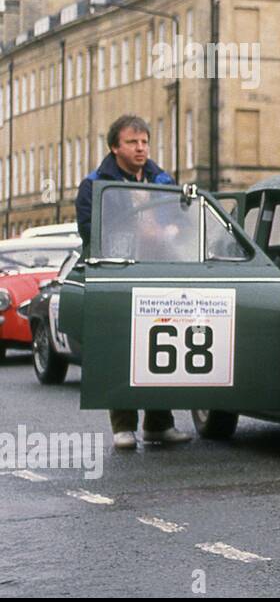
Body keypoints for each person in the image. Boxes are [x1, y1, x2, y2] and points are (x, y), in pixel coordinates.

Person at [75, 115, 190, 451]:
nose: (140, 148)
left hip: (159, 271)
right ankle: (124, 425)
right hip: (119, 273)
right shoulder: (95, 183)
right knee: (124, 347)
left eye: (144, 142)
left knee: (160, 344)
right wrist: (136, 231)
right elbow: (89, 230)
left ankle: (159, 423)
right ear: (115, 147)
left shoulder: (162, 178)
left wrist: (171, 232)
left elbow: (181, 219)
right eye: (132, 142)